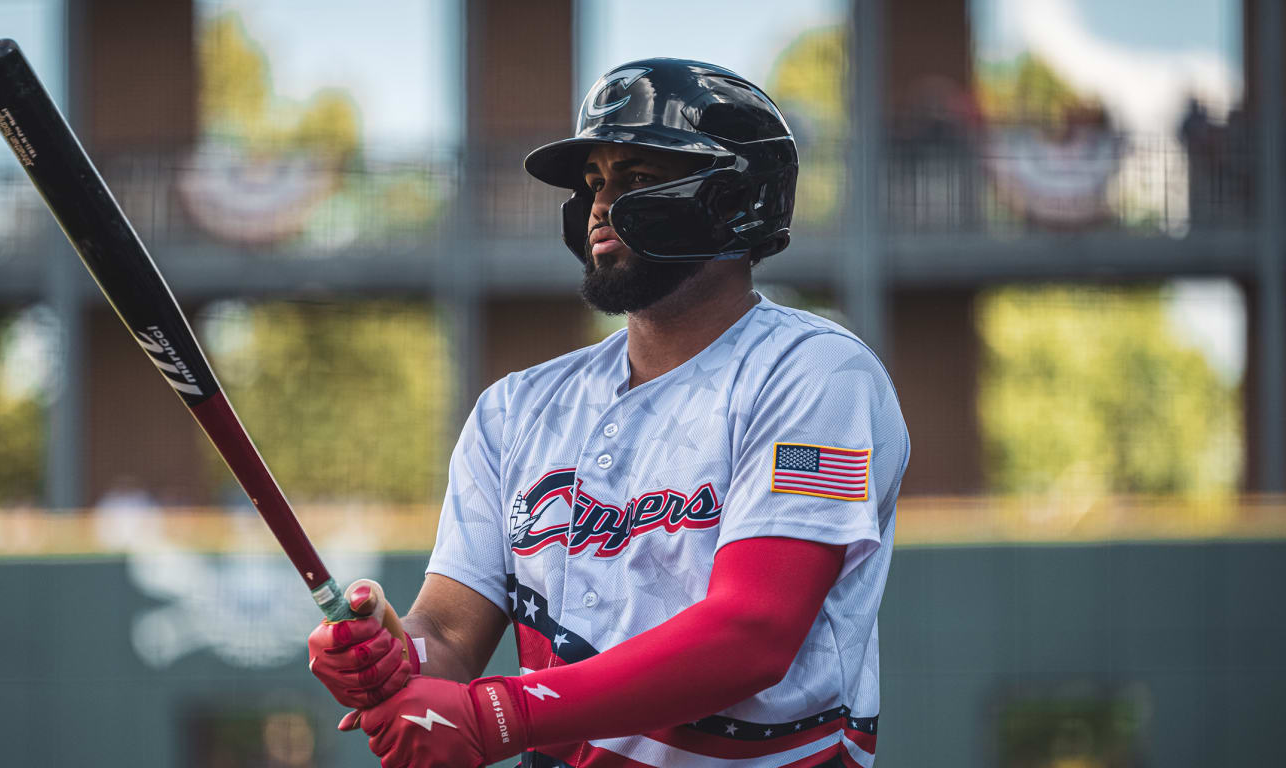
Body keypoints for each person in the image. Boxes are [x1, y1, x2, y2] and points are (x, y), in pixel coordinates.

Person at [306, 58, 908, 768]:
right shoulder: (516, 408)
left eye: (637, 180)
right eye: (595, 182)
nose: (599, 204)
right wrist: (392, 652)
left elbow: (753, 634)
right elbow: (446, 637)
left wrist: (499, 715)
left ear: (731, 197)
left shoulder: (815, 372)